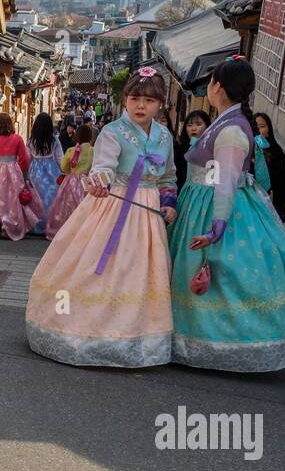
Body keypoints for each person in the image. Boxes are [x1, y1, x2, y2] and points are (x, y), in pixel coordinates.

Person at [168, 56, 285, 372]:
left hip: (214, 207)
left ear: (217, 86)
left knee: (222, 274)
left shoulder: (230, 131)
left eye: (211, 81)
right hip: (210, 203)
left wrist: (216, 227)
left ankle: (217, 344)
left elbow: (225, 181)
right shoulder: (231, 123)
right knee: (232, 274)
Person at [26, 67, 177, 367]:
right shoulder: (112, 132)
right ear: (125, 99)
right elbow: (104, 165)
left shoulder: (164, 136)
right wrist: (100, 181)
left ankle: (137, 337)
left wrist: (169, 201)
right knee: (99, 267)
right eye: (134, 98)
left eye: (149, 100)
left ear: (160, 104)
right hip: (114, 204)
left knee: (141, 271)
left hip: (148, 215)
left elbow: (169, 175)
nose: (140, 106)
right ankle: (84, 331)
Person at [0, 113, 41, 240]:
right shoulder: (17, 139)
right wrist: (25, 174)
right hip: (12, 172)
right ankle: (10, 226)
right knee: (11, 200)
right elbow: (24, 159)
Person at [44, 122, 94, 237]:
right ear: (90, 137)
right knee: (85, 205)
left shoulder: (71, 150)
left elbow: (64, 167)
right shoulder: (93, 151)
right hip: (87, 181)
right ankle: (83, 230)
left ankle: (67, 229)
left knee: (67, 205)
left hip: (71, 180)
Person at [26, 112, 63, 234]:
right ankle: (49, 225)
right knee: (50, 198)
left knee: (36, 198)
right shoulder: (54, 140)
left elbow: (27, 158)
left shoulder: (31, 141)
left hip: (35, 171)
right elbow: (60, 159)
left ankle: (36, 225)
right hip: (51, 171)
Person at [254, 111, 285, 224]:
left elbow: (281, 186)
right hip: (247, 202)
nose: (258, 130)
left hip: (267, 204)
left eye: (262, 126)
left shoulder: (276, 153)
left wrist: (281, 215)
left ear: (269, 130)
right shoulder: (244, 150)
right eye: (255, 127)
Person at [174, 109, 211, 186]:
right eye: (189, 125)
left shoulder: (212, 149)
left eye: (198, 124)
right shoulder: (179, 149)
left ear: (207, 126)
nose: (193, 128)